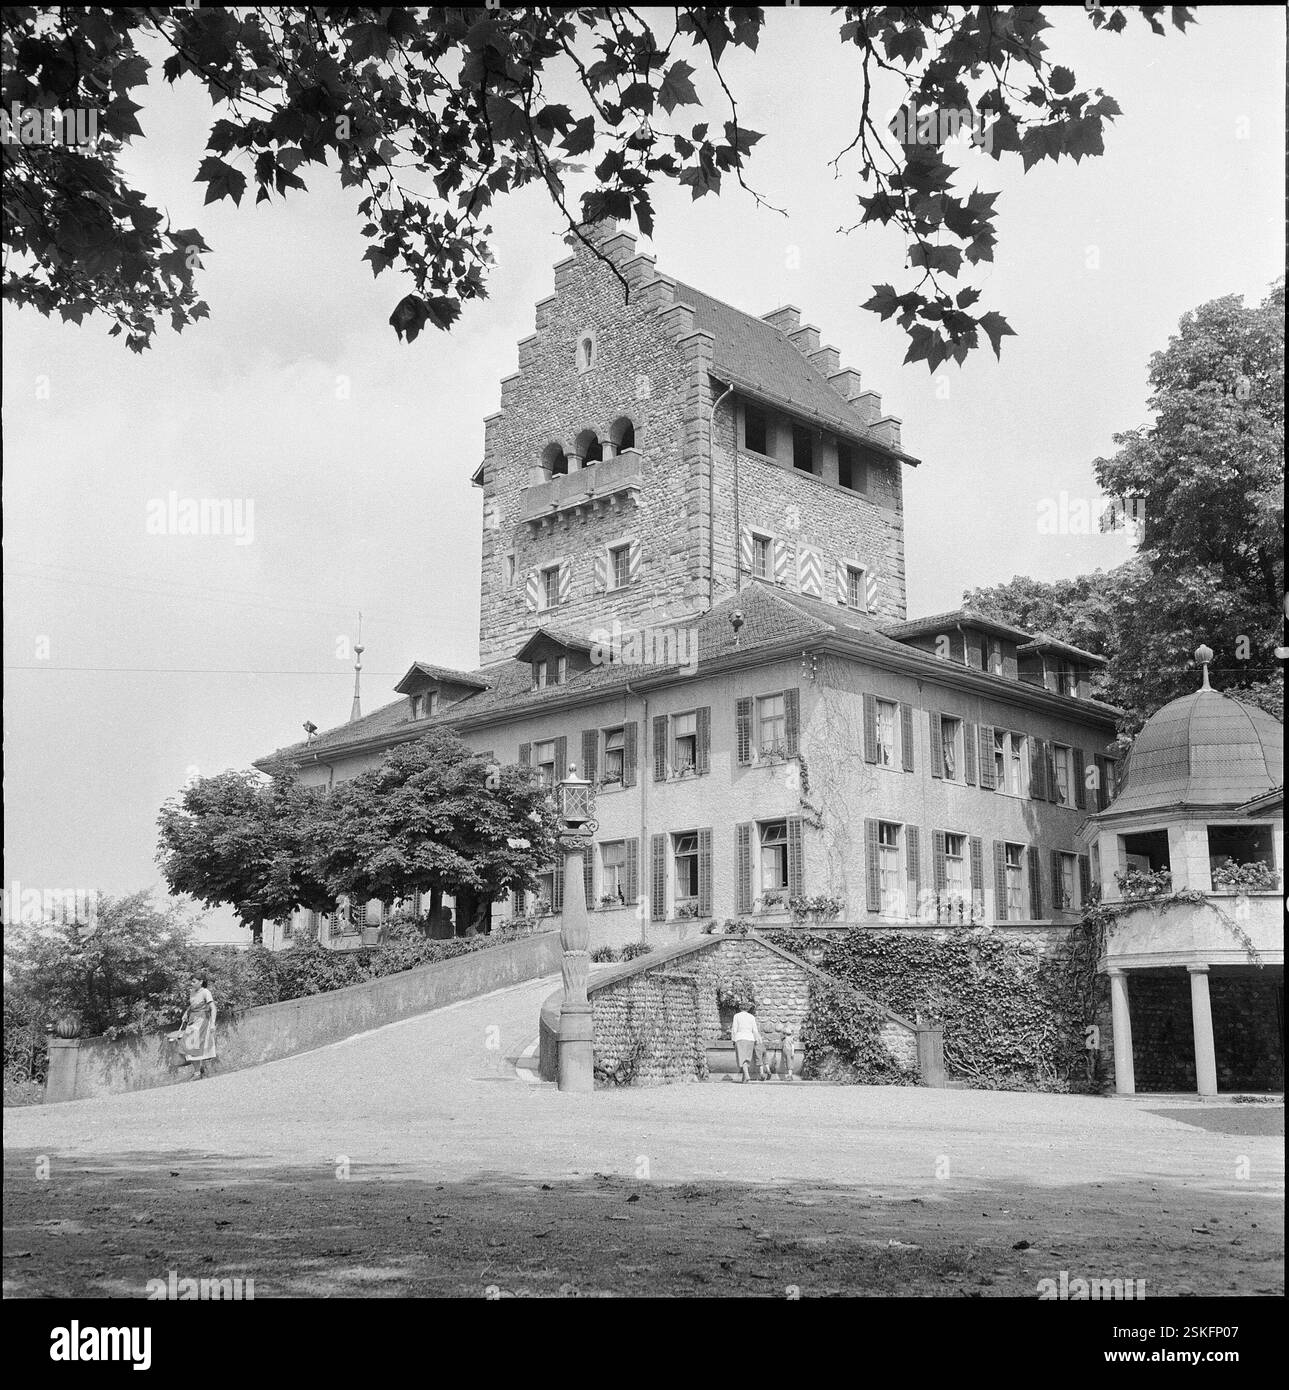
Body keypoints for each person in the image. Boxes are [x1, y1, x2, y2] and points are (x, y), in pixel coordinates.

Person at [173, 976, 218, 1080]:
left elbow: (213, 1008)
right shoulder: (192, 992)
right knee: (189, 1045)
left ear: (201, 982)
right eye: (191, 982)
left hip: (202, 1021)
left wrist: (213, 1023)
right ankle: (199, 1070)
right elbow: (193, 1005)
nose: (191, 984)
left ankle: (197, 1072)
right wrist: (186, 1012)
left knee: (192, 1046)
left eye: (194, 982)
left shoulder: (206, 992)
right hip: (192, 1020)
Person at [730, 1001, 762, 1084]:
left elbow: (734, 1028)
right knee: (747, 1058)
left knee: (742, 1058)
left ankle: (747, 1075)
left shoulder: (737, 1016)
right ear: (748, 1008)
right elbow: (755, 1030)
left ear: (740, 1007)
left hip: (740, 1037)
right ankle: (744, 1079)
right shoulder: (751, 1017)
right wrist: (757, 1039)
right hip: (750, 1038)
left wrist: (733, 1039)